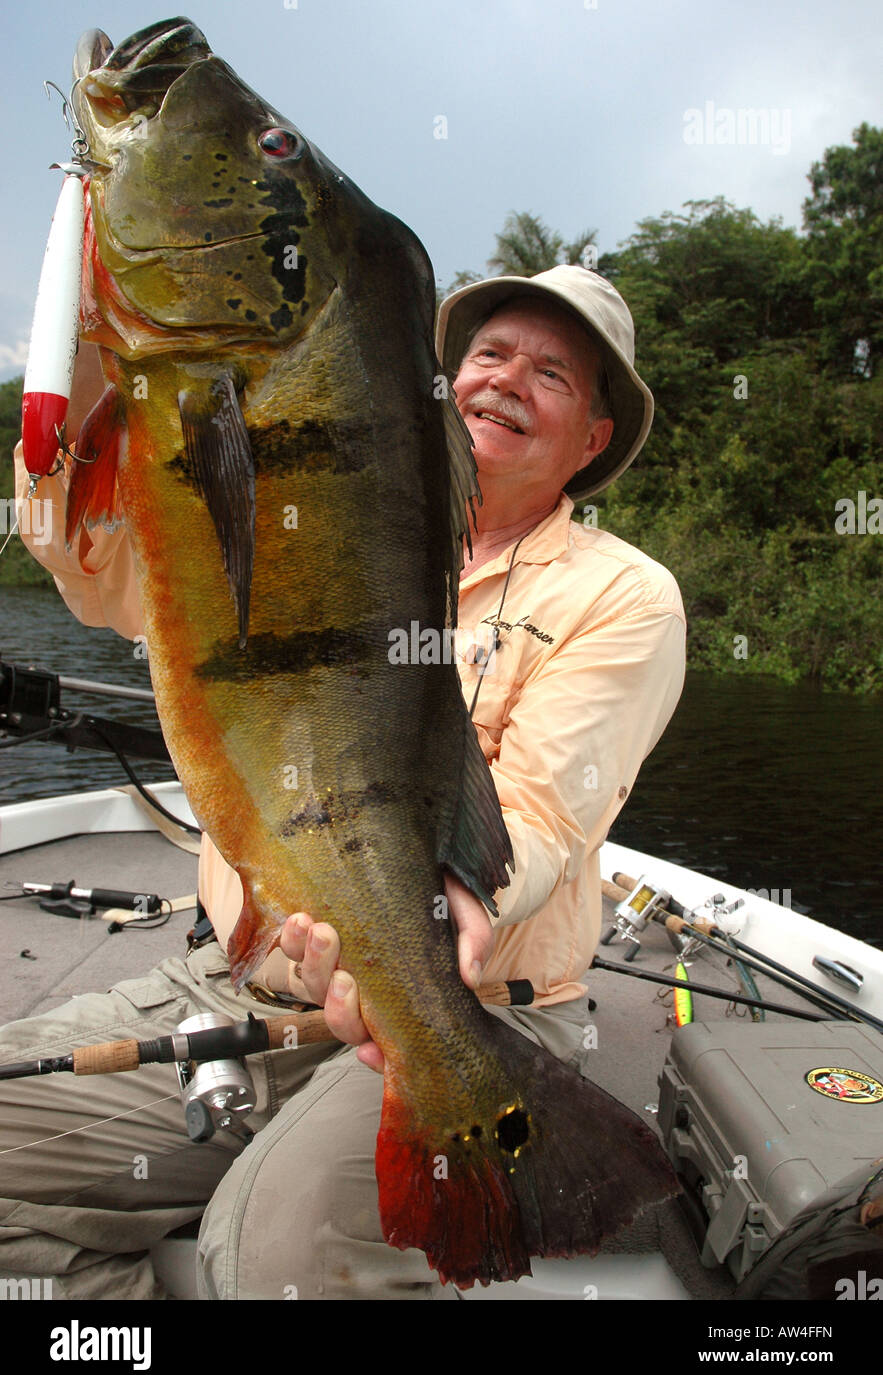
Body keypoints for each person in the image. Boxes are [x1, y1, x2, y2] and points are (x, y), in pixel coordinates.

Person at [2, 265, 686, 1299]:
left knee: (276, 1259)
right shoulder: (298, 513)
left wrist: (451, 912)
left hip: (471, 1003)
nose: (506, 381)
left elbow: (545, 806)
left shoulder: (624, 595)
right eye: (489, 355)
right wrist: (104, 361)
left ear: (592, 439)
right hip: (239, 979)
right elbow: (73, 545)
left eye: (552, 372)